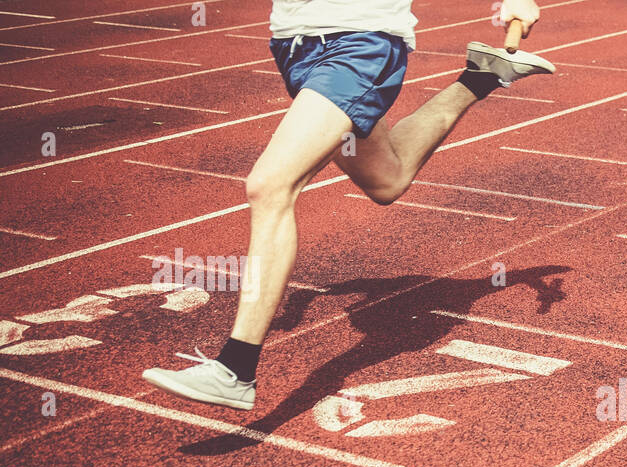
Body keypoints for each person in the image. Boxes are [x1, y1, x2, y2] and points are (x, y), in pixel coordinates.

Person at [143, 0, 555, 409]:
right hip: (296, 46)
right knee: (385, 179)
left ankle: (236, 369)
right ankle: (481, 77)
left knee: (270, 186)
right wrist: (305, 300)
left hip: (360, 45)